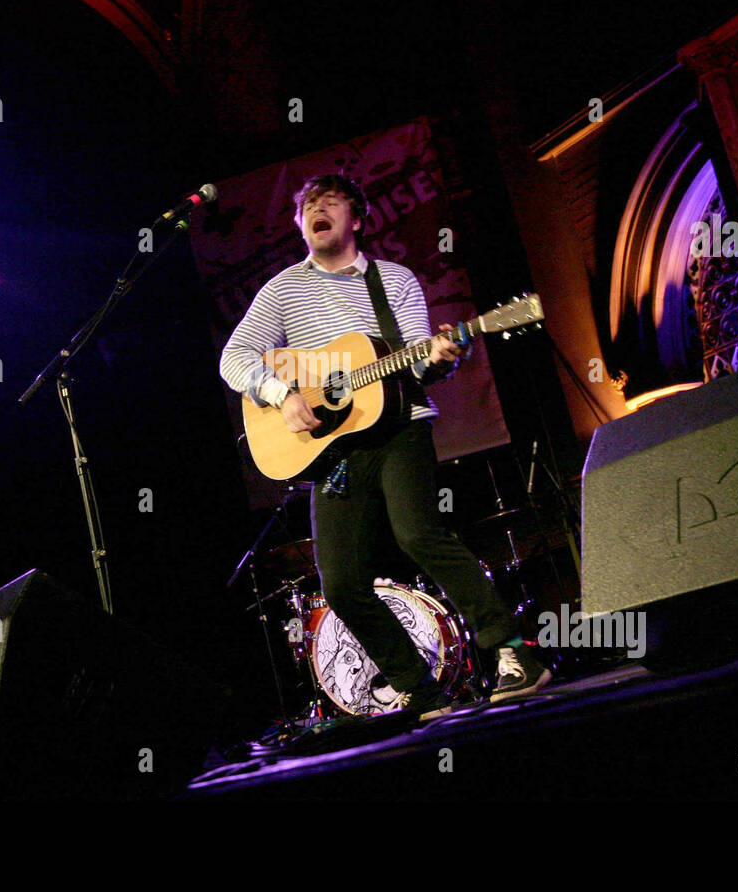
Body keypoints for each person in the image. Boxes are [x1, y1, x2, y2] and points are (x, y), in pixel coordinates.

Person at [220, 173, 550, 719]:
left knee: (420, 533)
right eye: (307, 206)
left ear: (357, 219)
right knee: (343, 582)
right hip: (335, 448)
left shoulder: (393, 280)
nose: (316, 210)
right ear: (301, 224)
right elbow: (235, 360)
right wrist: (282, 395)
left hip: (400, 427)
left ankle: (514, 655)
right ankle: (418, 688)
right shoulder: (281, 290)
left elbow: (418, 362)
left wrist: (445, 353)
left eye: (331, 202)